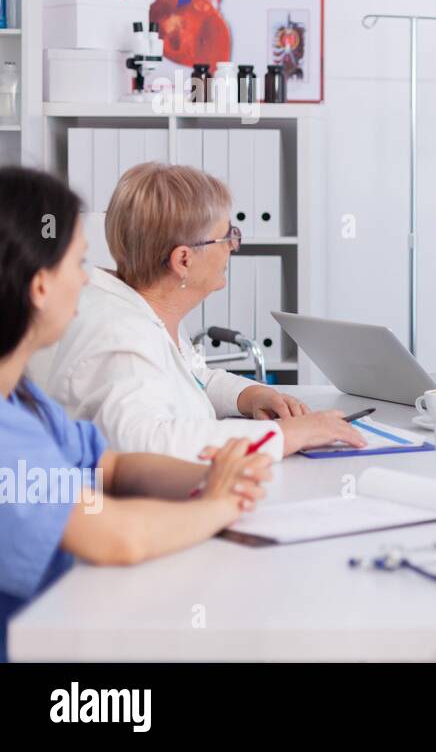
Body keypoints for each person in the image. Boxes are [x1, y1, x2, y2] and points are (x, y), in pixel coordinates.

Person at [0, 166, 273, 662]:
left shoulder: (23, 402)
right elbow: (115, 537)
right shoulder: (6, 435)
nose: (88, 280)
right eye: (78, 264)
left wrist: (213, 474)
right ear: (40, 286)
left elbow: (113, 466)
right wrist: (217, 505)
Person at [29, 162, 363, 461]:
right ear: (183, 260)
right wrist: (288, 435)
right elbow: (143, 442)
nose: (233, 247)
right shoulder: (120, 335)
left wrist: (250, 395)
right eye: (227, 237)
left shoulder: (144, 305)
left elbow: (190, 376)